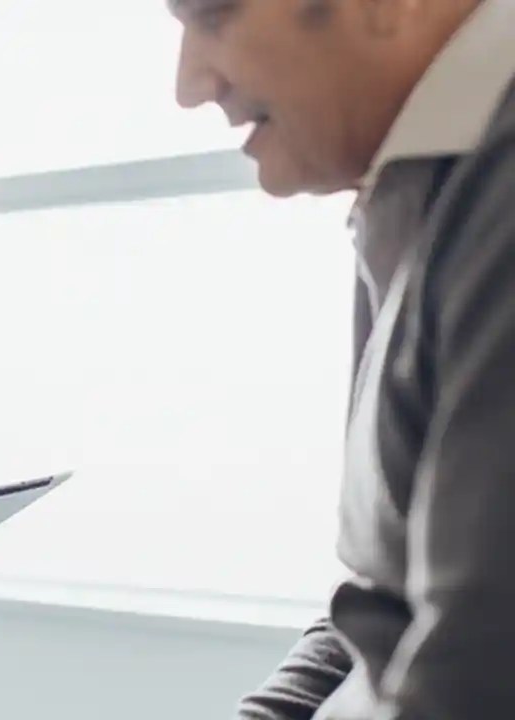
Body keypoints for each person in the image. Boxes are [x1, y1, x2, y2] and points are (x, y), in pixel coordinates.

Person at [168, 0, 515, 717]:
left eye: (209, 15)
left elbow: (475, 676)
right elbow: (381, 603)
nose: (191, 83)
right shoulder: (415, 193)